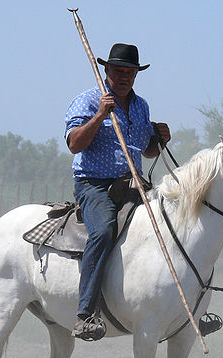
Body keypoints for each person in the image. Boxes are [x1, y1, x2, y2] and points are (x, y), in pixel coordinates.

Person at [65, 43, 170, 340]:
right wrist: (100, 116)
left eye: (131, 72)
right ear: (106, 71)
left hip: (134, 183)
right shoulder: (87, 101)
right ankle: (85, 313)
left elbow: (147, 151)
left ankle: (176, 309)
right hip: (95, 184)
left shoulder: (141, 106)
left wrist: (159, 139)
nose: (125, 77)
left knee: (170, 221)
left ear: (137, 74)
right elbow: (74, 144)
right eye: (119, 71)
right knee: (103, 231)